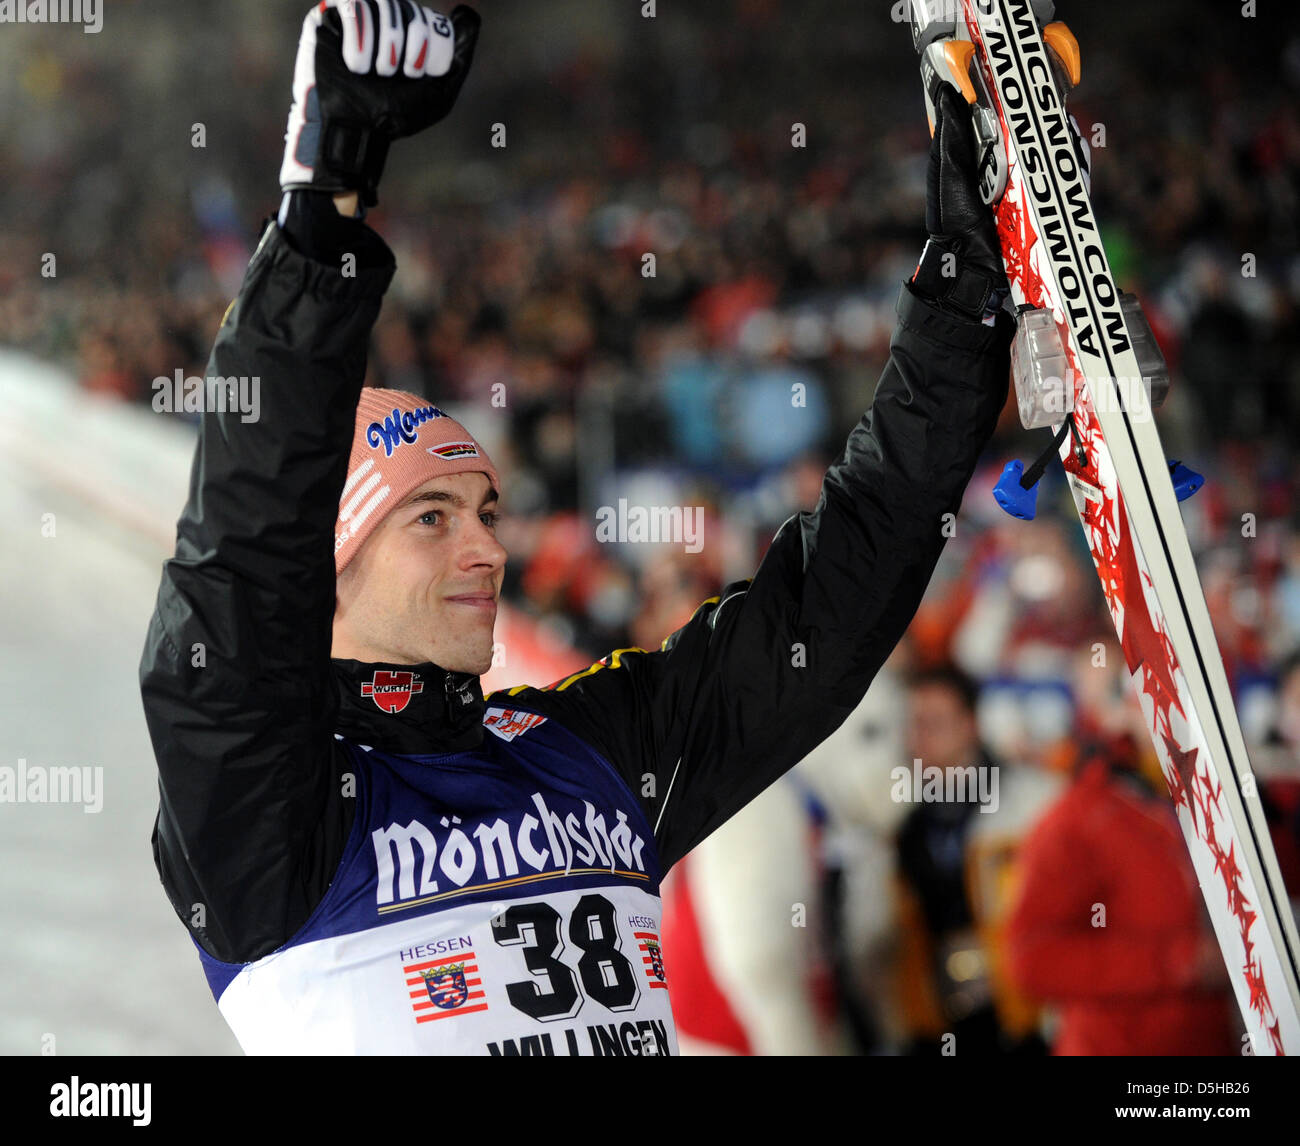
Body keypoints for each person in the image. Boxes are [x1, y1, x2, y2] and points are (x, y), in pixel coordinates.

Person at [138, 1, 1014, 1055]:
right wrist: (321, 218)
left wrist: (960, 302)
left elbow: (833, 601)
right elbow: (240, 561)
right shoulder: (273, 820)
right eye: (430, 516)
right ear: (325, 569)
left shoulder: (589, 750)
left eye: (487, 512)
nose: (486, 548)